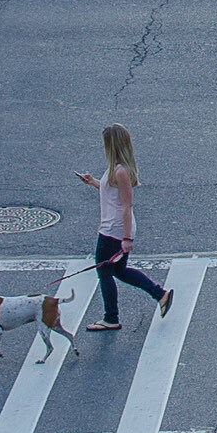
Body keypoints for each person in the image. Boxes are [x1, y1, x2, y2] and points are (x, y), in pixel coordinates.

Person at [77, 124, 172, 330]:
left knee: (104, 273)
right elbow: (113, 195)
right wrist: (94, 182)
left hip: (113, 230)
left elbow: (127, 205)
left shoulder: (120, 171)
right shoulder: (116, 168)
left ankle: (111, 318)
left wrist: (127, 238)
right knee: (119, 270)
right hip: (117, 229)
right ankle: (160, 294)